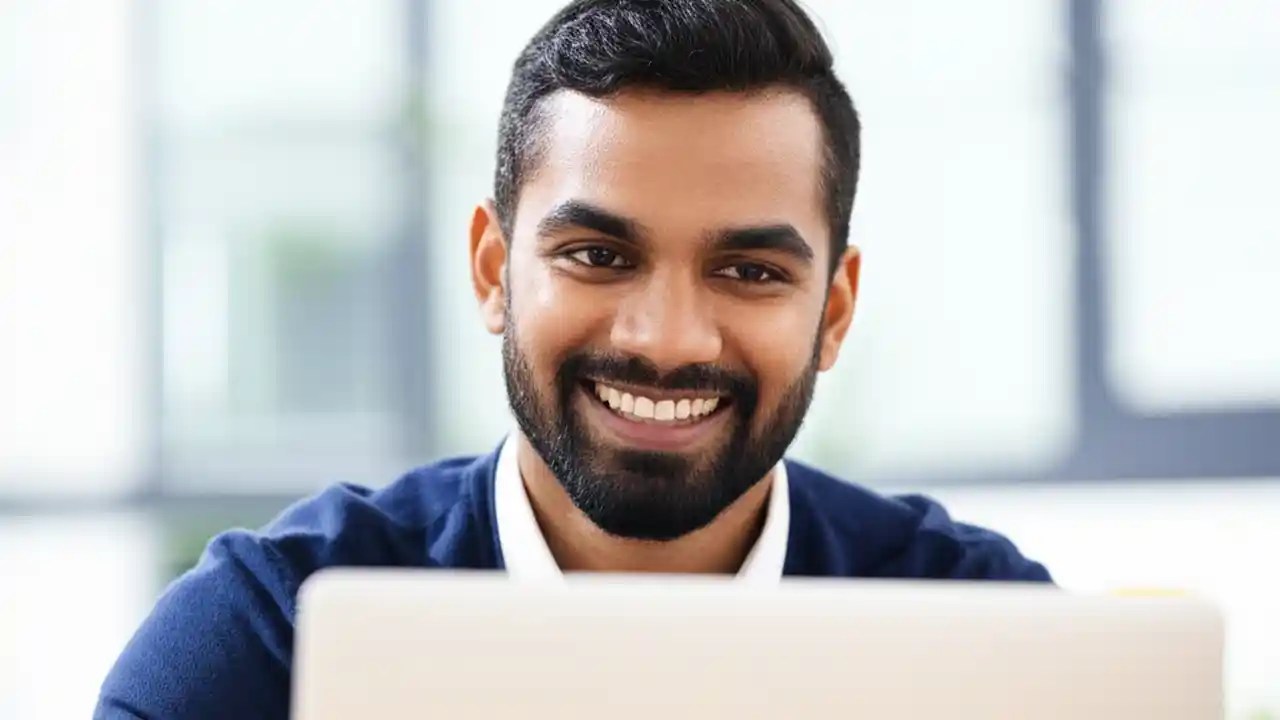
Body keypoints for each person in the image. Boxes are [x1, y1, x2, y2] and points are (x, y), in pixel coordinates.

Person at [97, 1, 1051, 717]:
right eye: (598, 256)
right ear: (492, 272)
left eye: (749, 270)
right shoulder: (267, 647)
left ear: (833, 312)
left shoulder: (999, 641)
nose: (666, 339)